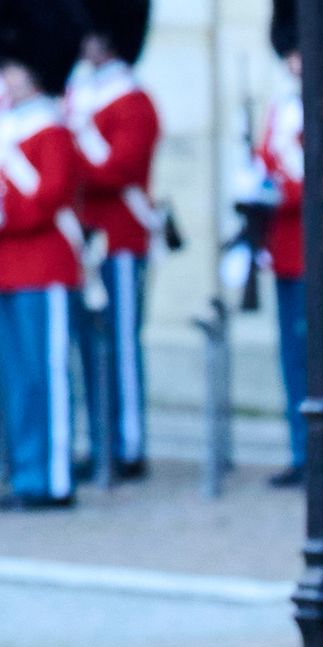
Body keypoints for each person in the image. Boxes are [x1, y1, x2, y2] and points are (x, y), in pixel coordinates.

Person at [67, 0, 161, 482]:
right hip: (82, 239)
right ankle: (98, 439)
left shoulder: (133, 101)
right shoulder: (76, 95)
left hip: (120, 236)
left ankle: (128, 442)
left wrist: (67, 155)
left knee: (121, 341)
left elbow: (117, 169)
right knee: (86, 346)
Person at [0, 0, 86, 511]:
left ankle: (51, 478)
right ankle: (24, 469)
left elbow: (49, 195)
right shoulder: (11, 128)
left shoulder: (52, 128)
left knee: (45, 373)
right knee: (14, 377)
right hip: (9, 267)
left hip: (47, 264)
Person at [257, 0, 305, 488]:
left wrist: (279, 188)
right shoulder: (281, 107)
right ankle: (300, 448)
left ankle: (319, 451)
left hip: (315, 250)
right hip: (285, 248)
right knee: (291, 357)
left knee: (312, 355)